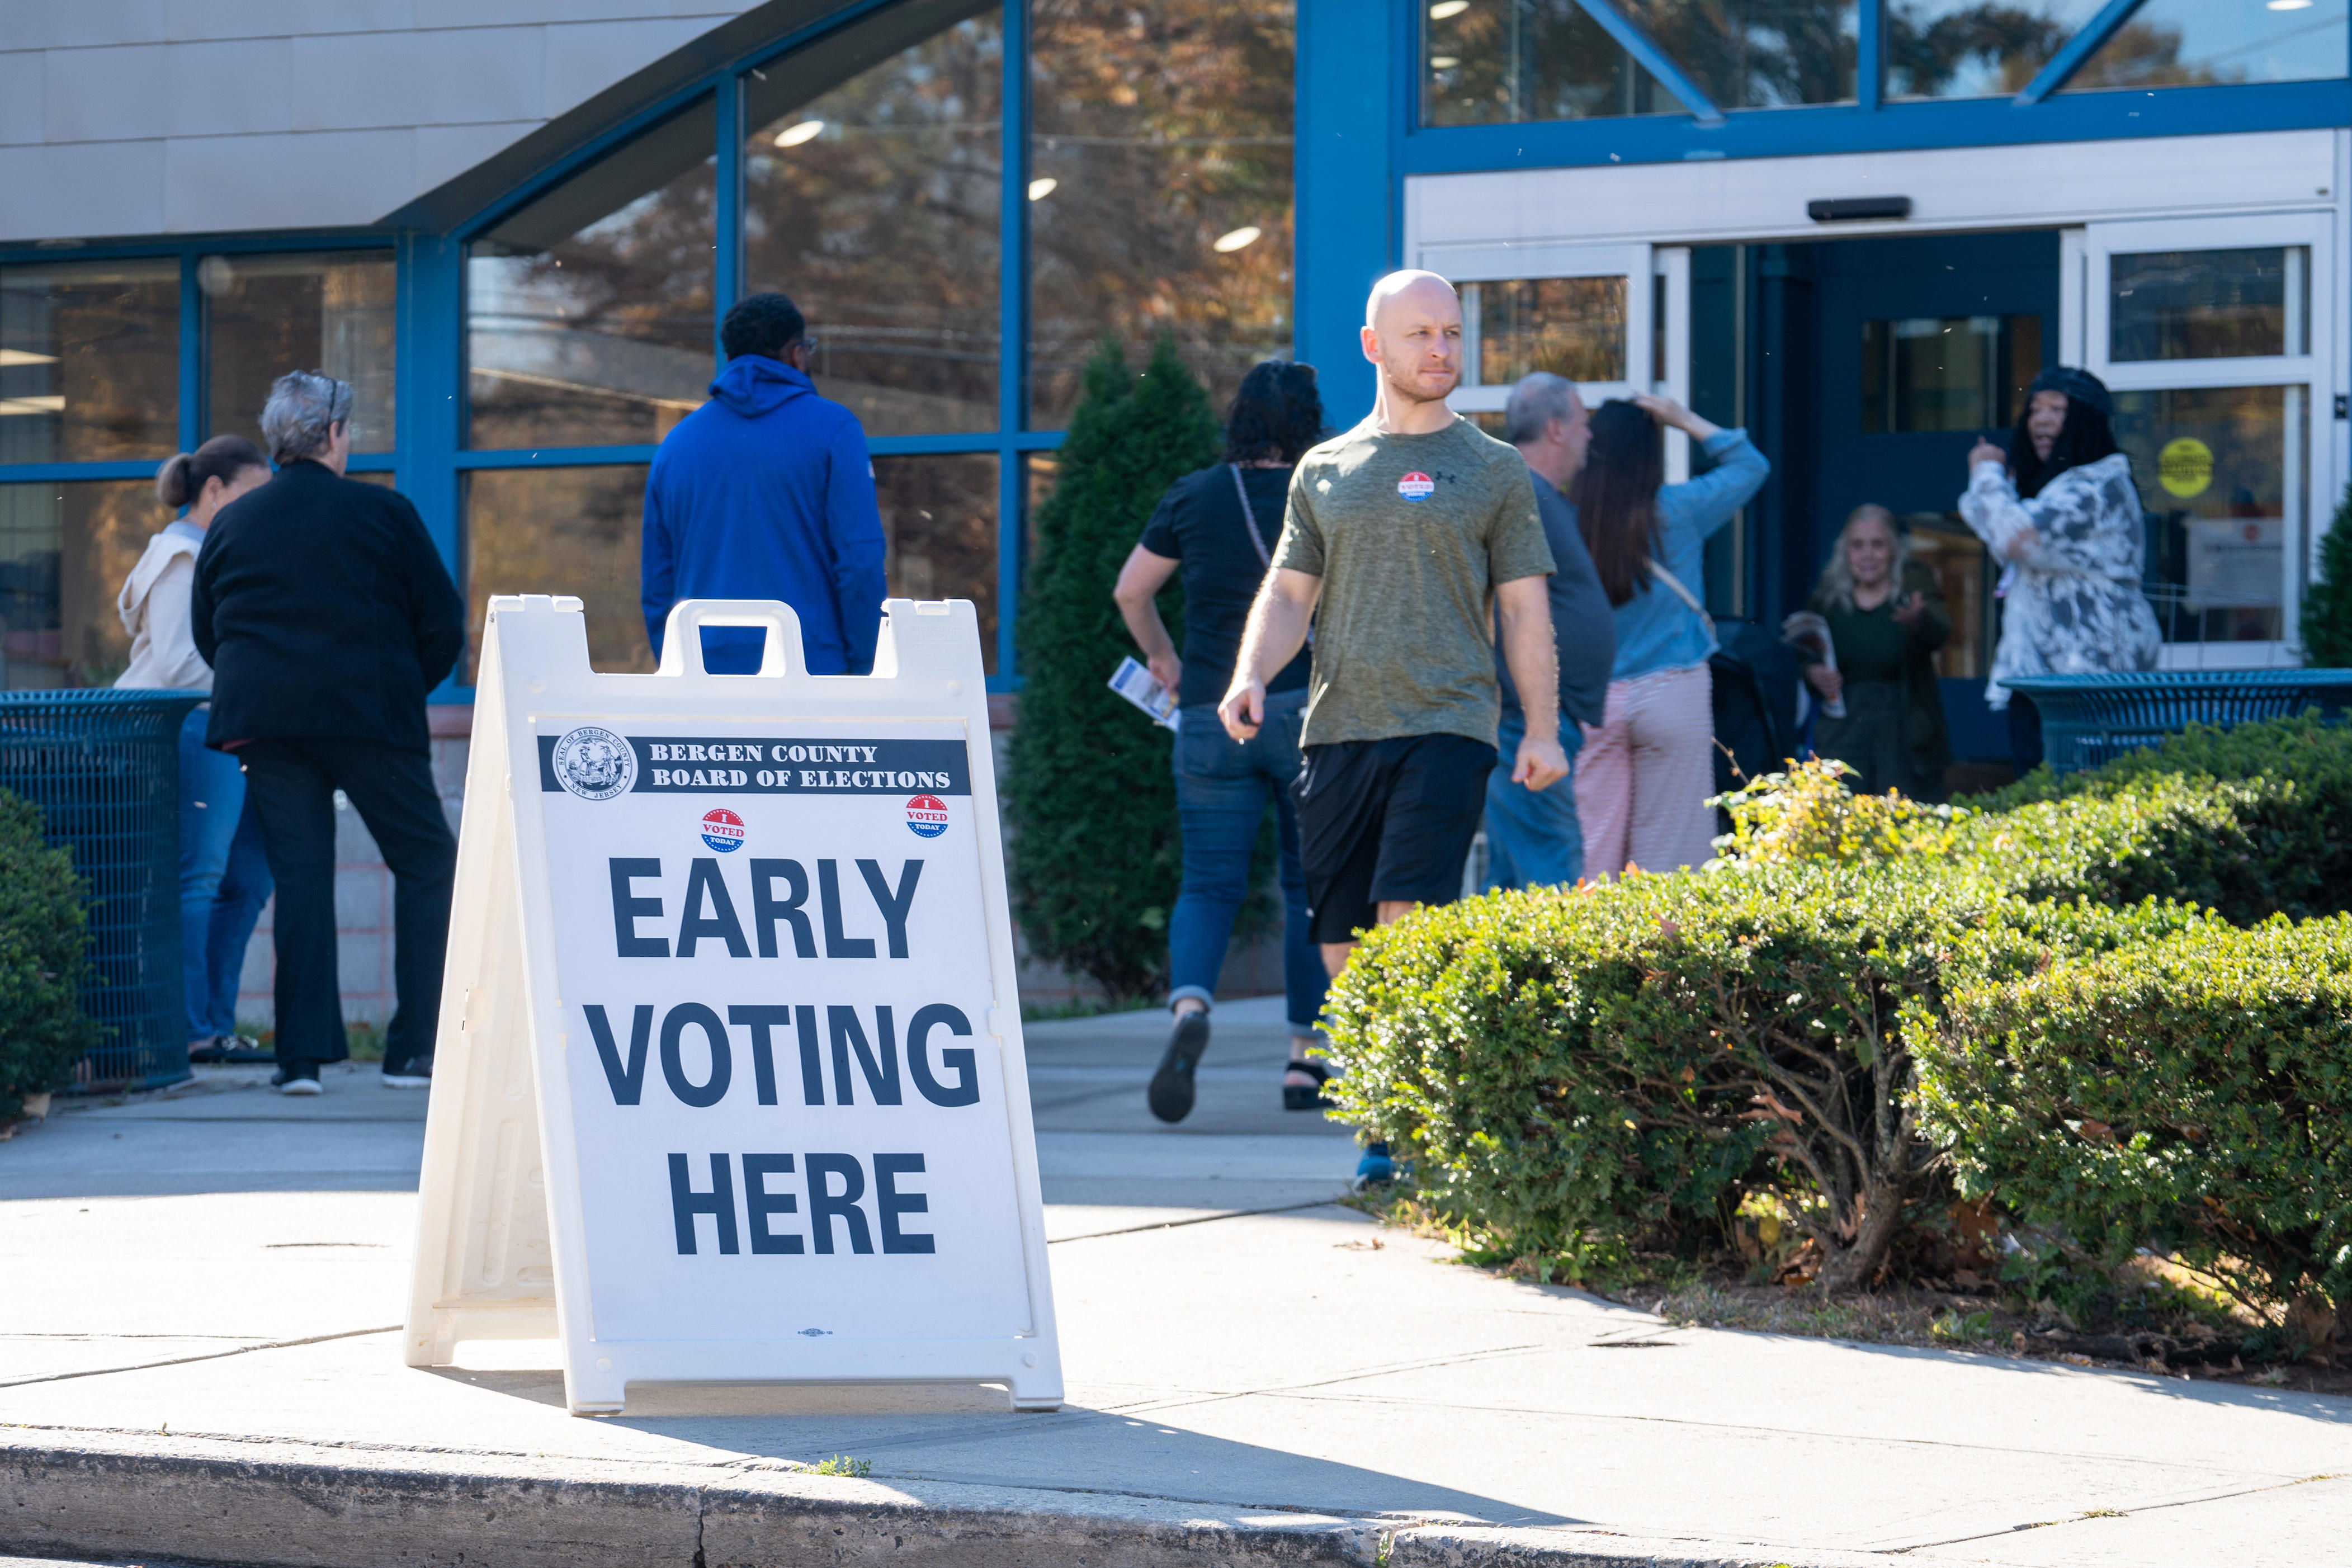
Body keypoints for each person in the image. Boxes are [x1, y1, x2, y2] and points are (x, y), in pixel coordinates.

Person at [1218, 270, 1566, 1185]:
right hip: (1338, 726)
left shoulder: (1493, 468)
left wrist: (1539, 726)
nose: (1441, 351)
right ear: (1374, 345)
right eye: (1420, 334)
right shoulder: (1323, 469)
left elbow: (1525, 609)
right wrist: (1252, 672)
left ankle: (1403, 1124)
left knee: (1403, 912)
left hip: (1449, 720)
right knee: (1339, 937)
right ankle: (1393, 1092)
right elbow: (1291, 592)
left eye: (1451, 333)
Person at [192, 371, 465, 1095]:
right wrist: (407, 684)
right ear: (336, 435)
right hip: (368, 714)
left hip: (268, 724)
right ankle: (413, 1052)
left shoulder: (232, 522)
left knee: (301, 879)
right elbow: (441, 621)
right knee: (429, 862)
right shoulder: (383, 512)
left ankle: (302, 1061)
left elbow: (209, 631)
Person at [1113, 360, 1332, 1123]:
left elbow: (1130, 590)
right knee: (1310, 889)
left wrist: (1163, 659)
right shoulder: (1327, 489)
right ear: (1307, 423)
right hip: (1307, 709)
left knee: (1208, 884)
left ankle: (1188, 1010)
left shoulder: (1196, 493)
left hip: (1210, 714)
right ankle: (1307, 1061)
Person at [118, 436, 277, 1066]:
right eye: (251, 498)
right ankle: (191, 1030)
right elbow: (181, 665)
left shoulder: (213, 550)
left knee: (248, 879)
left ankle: (214, 1023)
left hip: (231, 729)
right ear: (214, 491)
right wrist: (269, 684)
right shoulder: (178, 556)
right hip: (192, 729)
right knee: (202, 877)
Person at [1571, 395, 1769, 879]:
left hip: (1593, 702)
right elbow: (1751, 466)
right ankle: (1661, 955)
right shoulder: (1678, 510)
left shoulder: (1567, 520)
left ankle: (1584, 951)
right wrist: (1683, 418)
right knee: (1671, 855)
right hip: (1673, 693)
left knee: (1590, 849)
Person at [641, 292, 887, 676]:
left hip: (702, 674)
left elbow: (658, 586)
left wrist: (676, 669)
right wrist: (865, 667)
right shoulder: (834, 430)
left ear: (728, 358)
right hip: (811, 671)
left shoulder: (676, 445)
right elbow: (860, 562)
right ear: (796, 353)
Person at [1958, 366, 2159, 772]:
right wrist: (1995, 486)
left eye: (2056, 409)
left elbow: (2011, 536)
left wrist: (1987, 473)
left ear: (2084, 419)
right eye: (2034, 410)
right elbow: (1994, 526)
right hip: (2044, 681)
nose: (2041, 420)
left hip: (2090, 686)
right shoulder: (2059, 490)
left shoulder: (2096, 489)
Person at [1485, 372, 1614, 890]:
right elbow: (1503, 604)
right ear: (1557, 430)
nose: (1589, 437)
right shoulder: (1520, 492)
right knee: (1554, 877)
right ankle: (1561, 975)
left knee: (1514, 878)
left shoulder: (1532, 493)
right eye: (1584, 425)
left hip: (1531, 720)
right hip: (1527, 722)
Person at [1797, 504, 1952, 801]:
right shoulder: (1828, 593)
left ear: (1893, 549)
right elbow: (1806, 653)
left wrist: (1920, 621)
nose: (1867, 555)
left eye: (1877, 545)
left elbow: (1941, 631)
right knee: (1840, 815)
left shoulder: (1914, 583)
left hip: (1905, 727)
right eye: (1858, 545)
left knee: (1907, 820)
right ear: (1846, 551)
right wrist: (1812, 673)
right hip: (1844, 725)